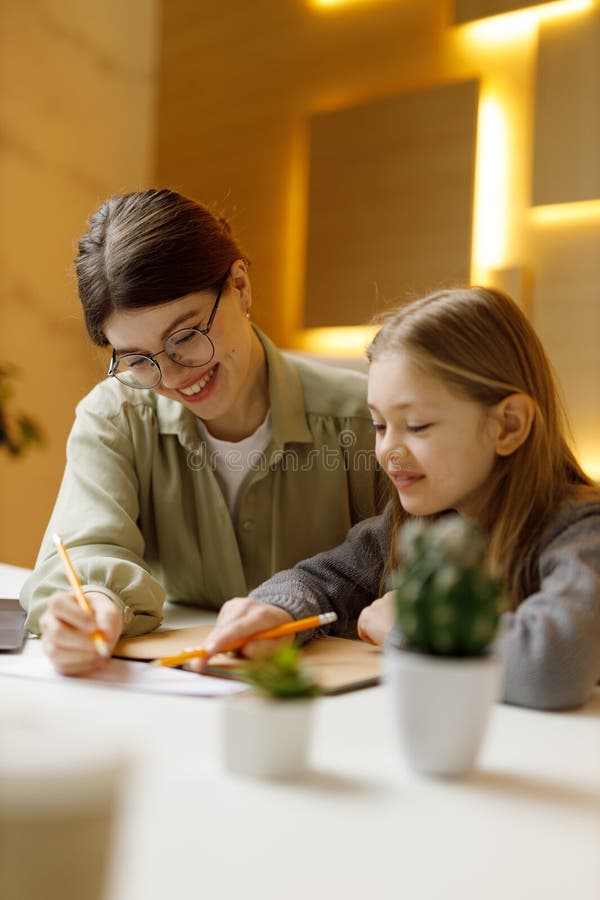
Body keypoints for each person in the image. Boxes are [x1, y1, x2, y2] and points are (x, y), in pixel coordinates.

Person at [20, 189, 380, 675]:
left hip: (321, 702)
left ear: (240, 284)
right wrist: (92, 605)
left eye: (185, 336)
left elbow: (414, 572)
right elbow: (83, 548)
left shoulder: (364, 419)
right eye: (137, 359)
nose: (171, 376)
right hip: (175, 700)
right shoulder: (117, 415)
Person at [199, 287, 600, 710]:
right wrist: (274, 612)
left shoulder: (583, 532)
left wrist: (415, 625)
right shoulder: (422, 523)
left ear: (508, 426)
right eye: (379, 426)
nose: (389, 450)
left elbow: (550, 668)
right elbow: (318, 580)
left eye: (418, 425)